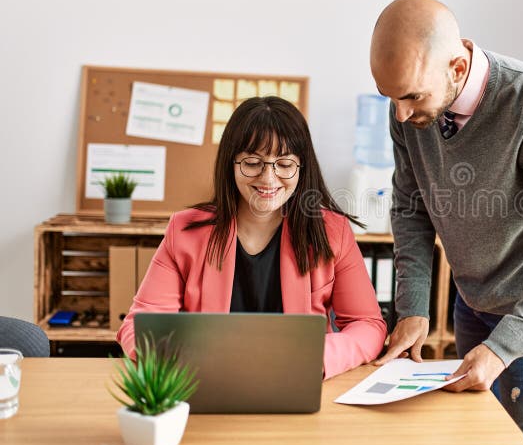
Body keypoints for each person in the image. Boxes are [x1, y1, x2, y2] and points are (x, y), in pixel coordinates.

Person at [371, 0, 523, 445]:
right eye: (390, 97)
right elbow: (410, 210)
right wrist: (414, 307)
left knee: (520, 443)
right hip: (469, 298)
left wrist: (502, 349)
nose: (400, 114)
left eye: (412, 97)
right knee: (470, 436)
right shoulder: (407, 108)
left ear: (457, 68)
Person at [117, 96, 387, 379]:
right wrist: (184, 360)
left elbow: (368, 324)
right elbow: (137, 326)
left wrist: (318, 358)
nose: (268, 179)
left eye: (284, 164)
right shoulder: (185, 232)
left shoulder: (333, 232)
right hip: (209, 384)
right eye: (252, 162)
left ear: (302, 167)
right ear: (231, 163)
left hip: (294, 384)